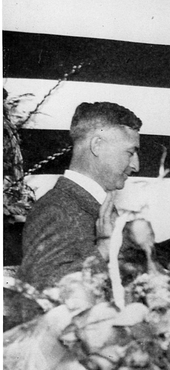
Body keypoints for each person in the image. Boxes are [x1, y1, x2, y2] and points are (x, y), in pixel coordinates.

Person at [18, 102, 141, 290]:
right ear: (97, 145)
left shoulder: (94, 205)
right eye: (130, 152)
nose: (136, 166)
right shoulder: (55, 210)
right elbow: (41, 289)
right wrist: (104, 249)